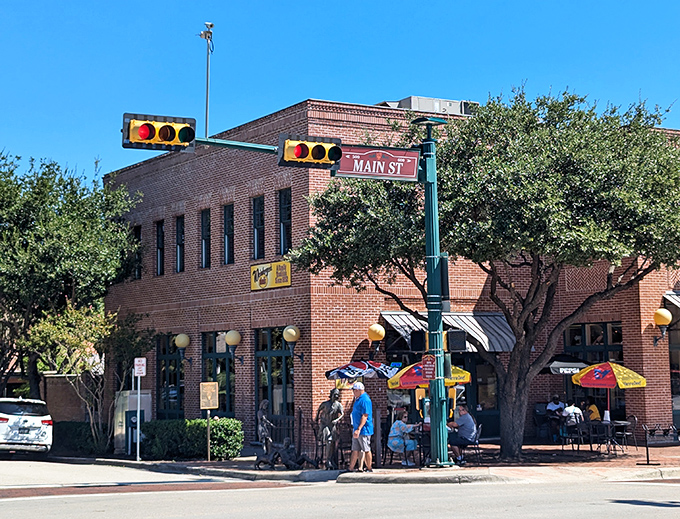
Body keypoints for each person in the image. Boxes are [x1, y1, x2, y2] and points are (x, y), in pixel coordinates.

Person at [315, 388, 345, 469]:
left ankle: (330, 459)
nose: (336, 396)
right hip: (325, 424)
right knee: (328, 441)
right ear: (331, 395)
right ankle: (327, 461)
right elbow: (319, 410)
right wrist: (316, 419)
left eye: (337, 395)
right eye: (335, 394)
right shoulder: (325, 404)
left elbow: (342, 414)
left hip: (332, 425)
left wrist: (337, 420)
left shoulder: (338, 405)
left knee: (332, 443)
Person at [348, 381, 374, 472]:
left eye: (354, 390)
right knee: (355, 449)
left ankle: (369, 468)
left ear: (358, 390)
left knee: (366, 449)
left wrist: (359, 428)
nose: (353, 392)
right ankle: (350, 468)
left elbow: (365, 415)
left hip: (363, 430)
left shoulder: (365, 399)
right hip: (356, 429)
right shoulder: (358, 399)